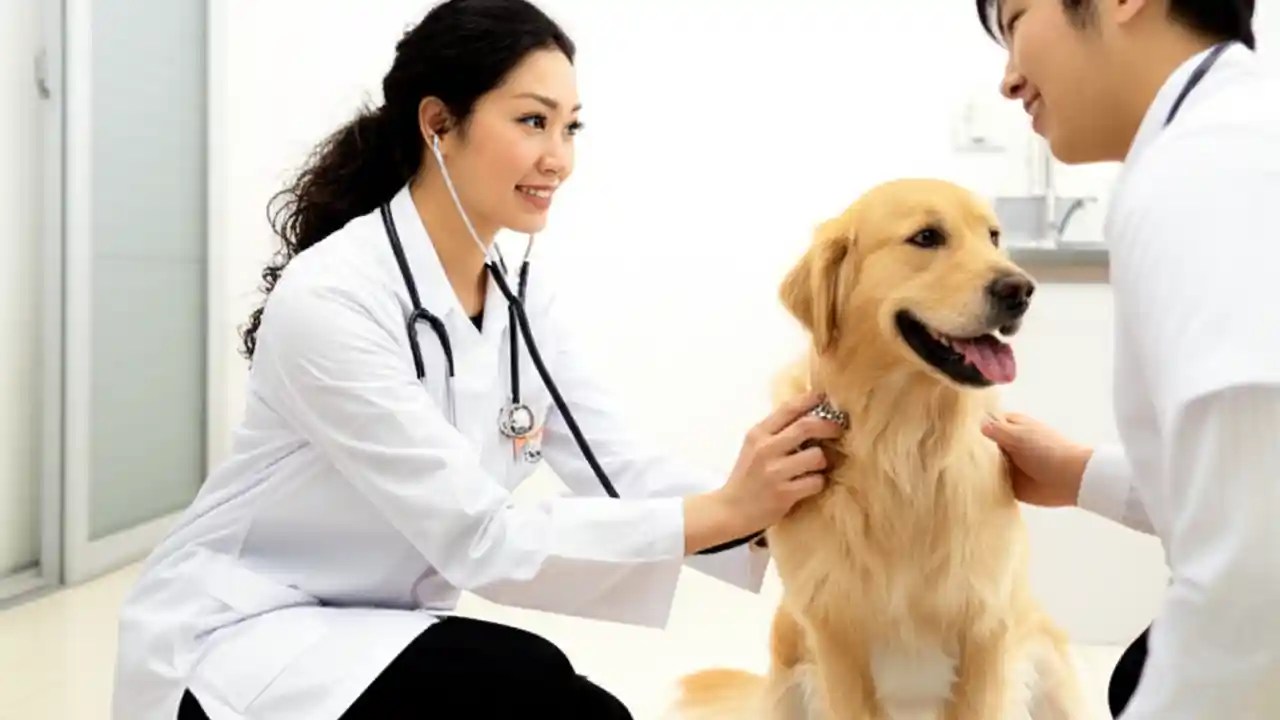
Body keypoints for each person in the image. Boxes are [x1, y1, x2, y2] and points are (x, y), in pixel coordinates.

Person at [109, 1, 843, 718]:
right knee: (529, 683)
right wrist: (725, 508)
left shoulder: (519, 298)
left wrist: (793, 507)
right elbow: (480, 538)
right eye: (532, 121)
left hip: (374, 628)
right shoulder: (332, 299)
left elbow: (619, 470)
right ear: (438, 124)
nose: (558, 158)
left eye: (570, 127)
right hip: (245, 633)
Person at [974, 0, 1280, 717]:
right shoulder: (1237, 136)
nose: (1009, 79)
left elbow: (1254, 575)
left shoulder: (1204, 169)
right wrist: (1081, 473)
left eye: (1014, 21)